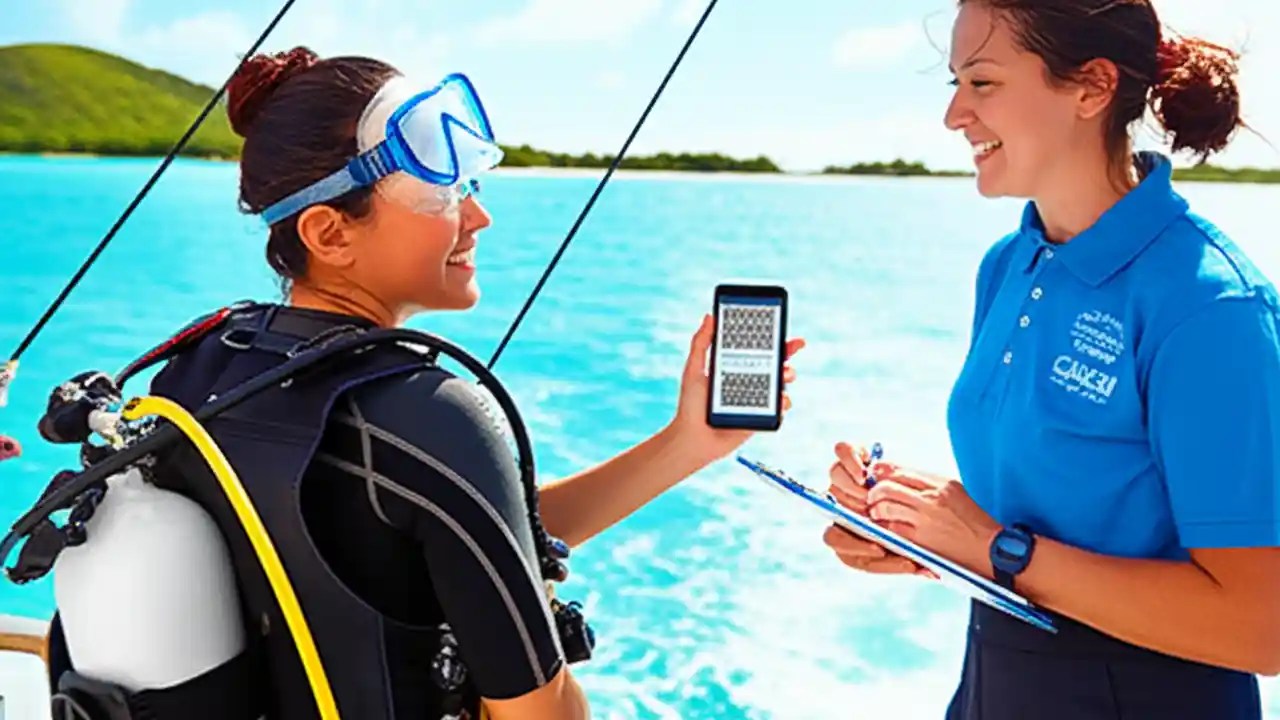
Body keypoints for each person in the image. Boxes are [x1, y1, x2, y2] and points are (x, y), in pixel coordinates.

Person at [41, 47, 803, 720]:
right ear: (329, 234)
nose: (479, 217)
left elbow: (444, 531)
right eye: (443, 196)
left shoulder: (201, 370)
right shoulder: (431, 419)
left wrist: (685, 445)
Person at [821, 1, 1280, 718]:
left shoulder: (1209, 308)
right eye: (954, 85)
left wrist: (998, 548)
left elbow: (1263, 628)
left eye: (982, 83)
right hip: (993, 688)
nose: (954, 117)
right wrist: (917, 524)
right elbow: (1037, 519)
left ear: (1091, 87)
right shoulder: (1009, 264)